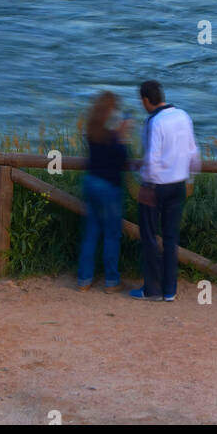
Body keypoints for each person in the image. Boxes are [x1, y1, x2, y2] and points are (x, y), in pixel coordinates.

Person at [129, 79, 200, 302]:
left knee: (149, 236)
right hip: (178, 184)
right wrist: (191, 178)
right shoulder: (183, 115)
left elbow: (152, 159)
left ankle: (152, 289)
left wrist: (143, 181)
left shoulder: (153, 122)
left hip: (155, 187)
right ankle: (170, 290)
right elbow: (193, 152)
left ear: (145, 100)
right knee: (171, 238)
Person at [77, 91, 129, 293]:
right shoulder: (112, 136)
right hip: (109, 187)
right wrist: (122, 136)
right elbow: (121, 157)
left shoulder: (91, 129)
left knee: (90, 233)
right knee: (111, 235)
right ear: (111, 110)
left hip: (90, 182)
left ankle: (84, 279)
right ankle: (111, 281)